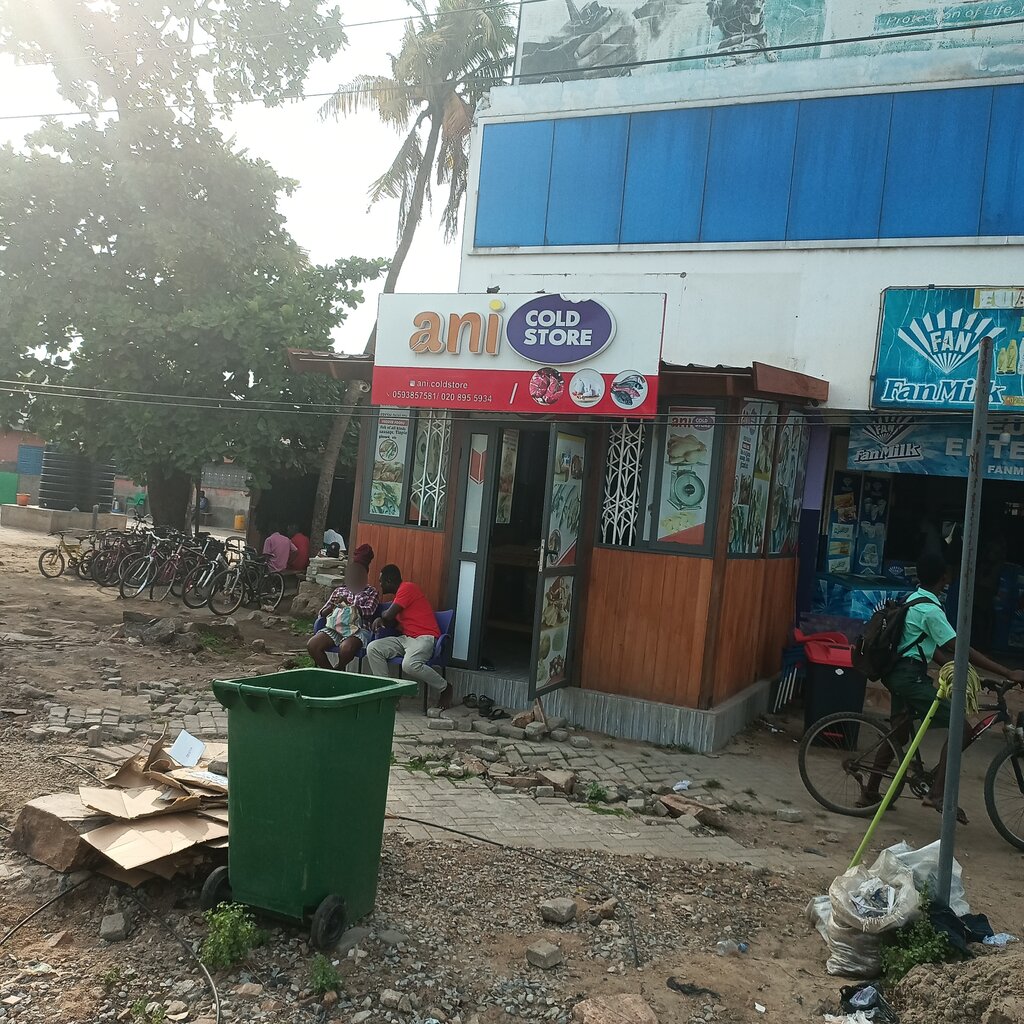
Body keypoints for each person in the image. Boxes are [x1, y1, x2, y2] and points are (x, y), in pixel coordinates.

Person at [863, 549, 1024, 822]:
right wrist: (1007, 672)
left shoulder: (914, 600)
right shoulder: (930, 610)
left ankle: (870, 793)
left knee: (900, 734)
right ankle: (936, 794)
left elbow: (930, 648)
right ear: (944, 578)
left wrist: (968, 673)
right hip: (909, 678)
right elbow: (959, 647)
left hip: (899, 674)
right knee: (961, 728)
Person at [365, 564, 450, 709]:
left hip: (425, 637)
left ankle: (445, 688)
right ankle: (388, 693)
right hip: (407, 638)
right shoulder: (399, 599)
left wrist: (382, 618)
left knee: (409, 665)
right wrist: (383, 620)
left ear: (390, 580)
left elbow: (388, 615)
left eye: (381, 581)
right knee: (373, 648)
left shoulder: (407, 588)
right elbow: (389, 620)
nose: (379, 584)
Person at [307, 544, 379, 670]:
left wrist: (351, 606)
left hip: (358, 629)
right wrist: (332, 607)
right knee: (313, 645)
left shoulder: (371, 592)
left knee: (346, 648)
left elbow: (370, 612)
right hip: (336, 627)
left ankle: (338, 670)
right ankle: (331, 676)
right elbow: (322, 613)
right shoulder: (340, 591)